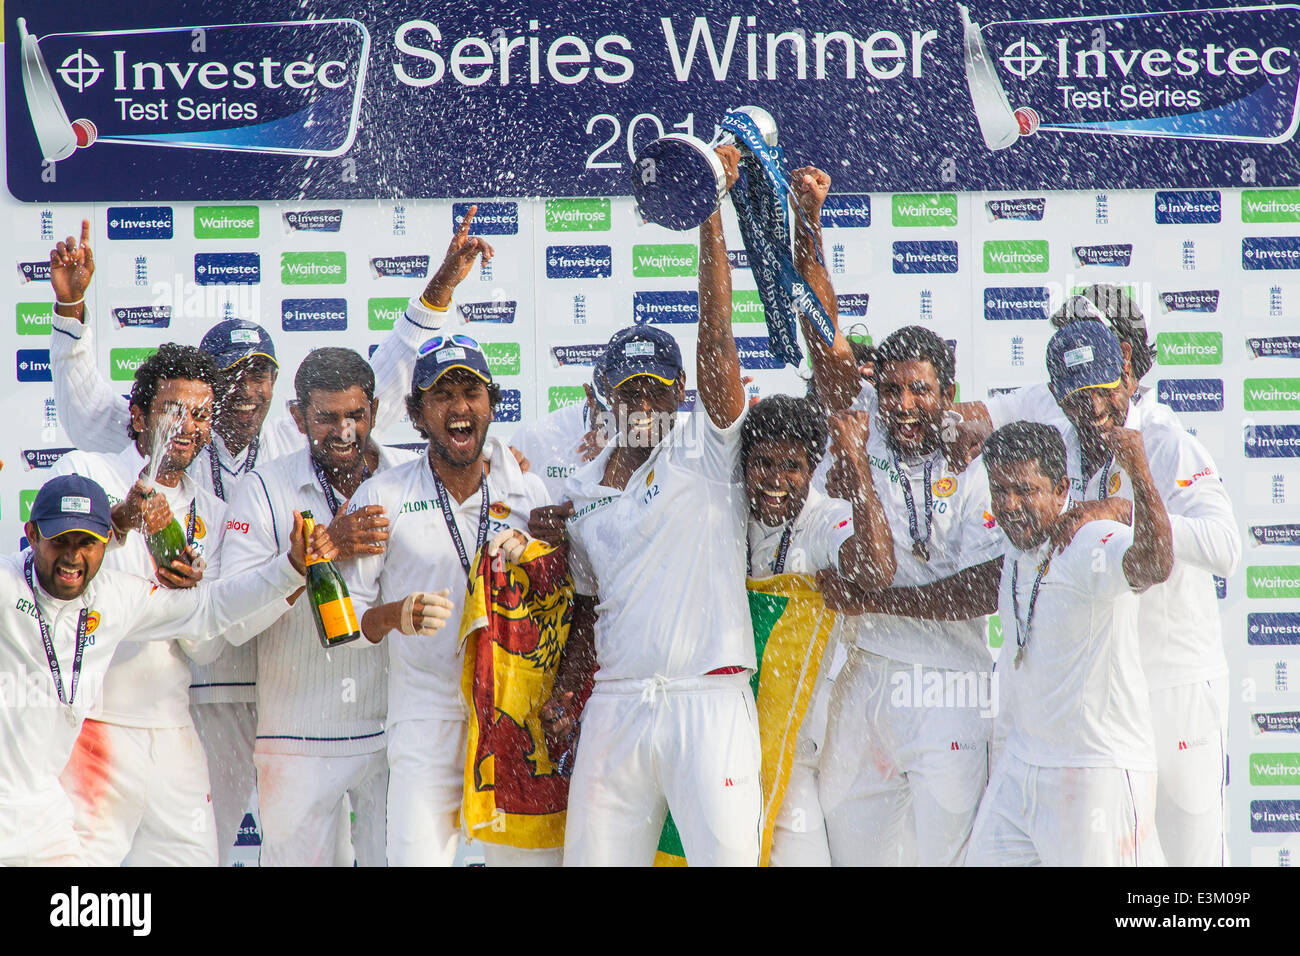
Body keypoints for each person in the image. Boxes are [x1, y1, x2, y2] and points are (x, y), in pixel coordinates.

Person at [47, 211, 493, 864]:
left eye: (261, 372)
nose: (247, 386)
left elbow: (387, 385)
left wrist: (439, 293)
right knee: (207, 848)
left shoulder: (298, 438)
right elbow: (86, 407)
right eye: (232, 372)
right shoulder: (176, 430)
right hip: (205, 686)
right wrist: (71, 309)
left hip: (296, 694)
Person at [540, 144, 758, 867]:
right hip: (616, 706)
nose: (641, 402)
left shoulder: (704, 452)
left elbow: (716, 333)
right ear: (602, 396)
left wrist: (709, 214)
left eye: (656, 389)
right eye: (627, 389)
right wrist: (566, 696)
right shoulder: (579, 489)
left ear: (680, 397)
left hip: (710, 703)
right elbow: (586, 616)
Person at [0, 474, 331, 866]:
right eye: (60, 541)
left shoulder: (116, 596)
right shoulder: (6, 584)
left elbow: (211, 609)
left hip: (43, 817)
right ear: (32, 534)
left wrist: (291, 567)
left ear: (106, 540)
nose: (72, 557)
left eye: (86, 542)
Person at [343, 335, 552, 866]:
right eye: (441, 394)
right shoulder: (381, 497)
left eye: (471, 392)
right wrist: (398, 614)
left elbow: (559, 603)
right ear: (416, 413)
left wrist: (535, 556)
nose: (459, 407)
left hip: (512, 716)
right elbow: (347, 623)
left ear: (492, 403)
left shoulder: (528, 494)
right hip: (425, 717)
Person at [1038, 320, 1241, 866]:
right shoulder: (1068, 453)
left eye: (1104, 388)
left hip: (1176, 683)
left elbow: (1225, 546)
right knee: (1132, 855)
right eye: (1079, 396)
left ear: (1126, 370)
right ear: (1060, 398)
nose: (1096, 406)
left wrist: (1129, 510)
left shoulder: (1167, 441)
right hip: (1113, 698)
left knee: (1192, 855)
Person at [220, 348, 419, 866]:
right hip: (296, 739)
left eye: (355, 414)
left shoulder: (413, 478)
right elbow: (234, 622)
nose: (344, 430)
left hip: (391, 731)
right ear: (297, 416)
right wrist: (316, 552)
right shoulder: (264, 488)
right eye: (326, 417)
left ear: (374, 409)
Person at [816, 326, 1006, 867]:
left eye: (920, 391)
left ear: (947, 393)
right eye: (891, 391)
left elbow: (984, 589)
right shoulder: (855, 443)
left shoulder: (973, 460)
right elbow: (824, 347)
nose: (904, 406)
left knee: (947, 859)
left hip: (950, 689)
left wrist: (874, 602)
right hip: (862, 680)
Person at [49, 344, 230, 865]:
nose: (189, 427)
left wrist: (190, 596)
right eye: (174, 411)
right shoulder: (86, 471)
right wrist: (124, 528)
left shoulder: (211, 511)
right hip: (93, 723)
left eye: (201, 415)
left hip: (173, 728)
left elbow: (207, 647)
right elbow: (57, 582)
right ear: (138, 415)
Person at [969, 419, 1173, 866]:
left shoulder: (1088, 540)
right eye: (999, 491)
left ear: (1062, 487)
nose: (1010, 505)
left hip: (1094, 772)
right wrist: (868, 601)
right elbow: (959, 593)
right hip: (1023, 766)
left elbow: (1155, 565)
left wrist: (1137, 472)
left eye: (1025, 491)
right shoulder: (1016, 551)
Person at [740, 394, 895, 865]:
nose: (775, 481)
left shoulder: (825, 516)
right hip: (724, 740)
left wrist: (855, 460)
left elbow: (874, 570)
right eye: (763, 463)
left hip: (797, 752)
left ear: (812, 469)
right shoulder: (723, 508)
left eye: (792, 466)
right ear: (742, 465)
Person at [509, 359, 612, 500]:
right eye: (609, 415)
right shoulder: (536, 437)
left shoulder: (647, 438)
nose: (618, 423)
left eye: (626, 415)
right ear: (590, 397)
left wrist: (614, 458)